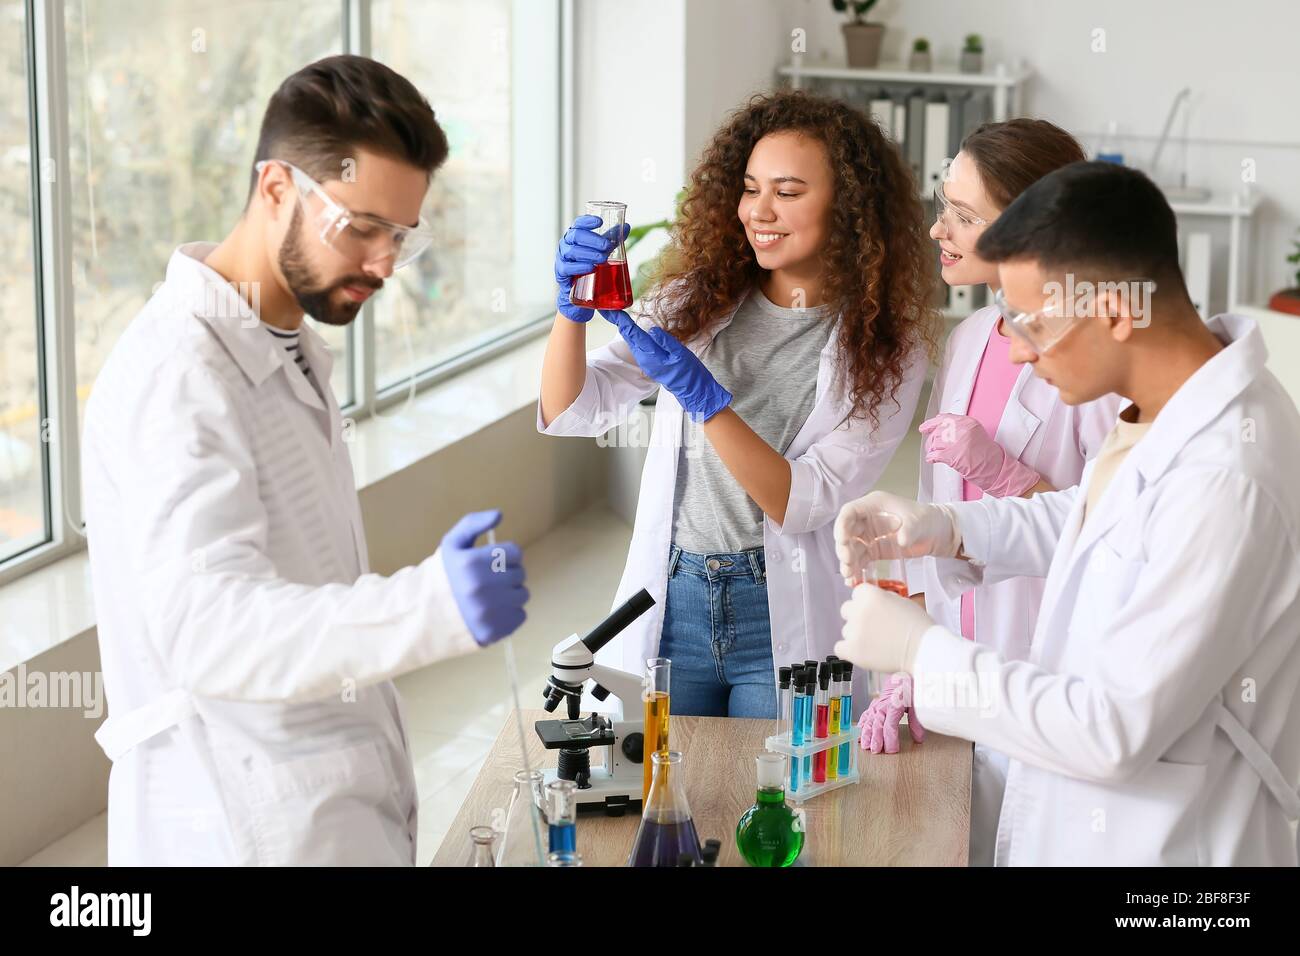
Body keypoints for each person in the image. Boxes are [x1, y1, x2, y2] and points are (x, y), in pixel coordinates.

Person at [82, 55, 529, 866]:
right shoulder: (179, 376)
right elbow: (208, 629)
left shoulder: (282, 345)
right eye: (361, 228)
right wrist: (428, 604)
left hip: (325, 798)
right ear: (277, 189)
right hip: (236, 821)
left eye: (400, 235)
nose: (385, 264)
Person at [835, 161, 1300, 866]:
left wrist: (920, 652)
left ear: (1115, 311)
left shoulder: (1226, 478)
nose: (1017, 349)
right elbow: (1097, 520)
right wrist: (946, 527)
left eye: (1033, 322)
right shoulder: (1168, 404)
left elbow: (1112, 728)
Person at [539, 91, 935, 717]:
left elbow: (800, 500)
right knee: (664, 794)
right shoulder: (699, 298)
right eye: (750, 189)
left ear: (850, 209)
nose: (760, 211)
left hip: (776, 613)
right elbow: (573, 410)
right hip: (674, 600)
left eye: (788, 191)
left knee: (771, 799)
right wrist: (569, 315)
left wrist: (708, 402)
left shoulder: (889, 351)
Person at [859, 120, 1122, 868]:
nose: (940, 229)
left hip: (1039, 685)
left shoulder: (1087, 358)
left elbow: (1110, 536)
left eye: (964, 216)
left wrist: (1011, 478)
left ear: (1028, 225)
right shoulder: (974, 335)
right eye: (944, 206)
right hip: (954, 676)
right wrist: (912, 666)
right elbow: (929, 525)